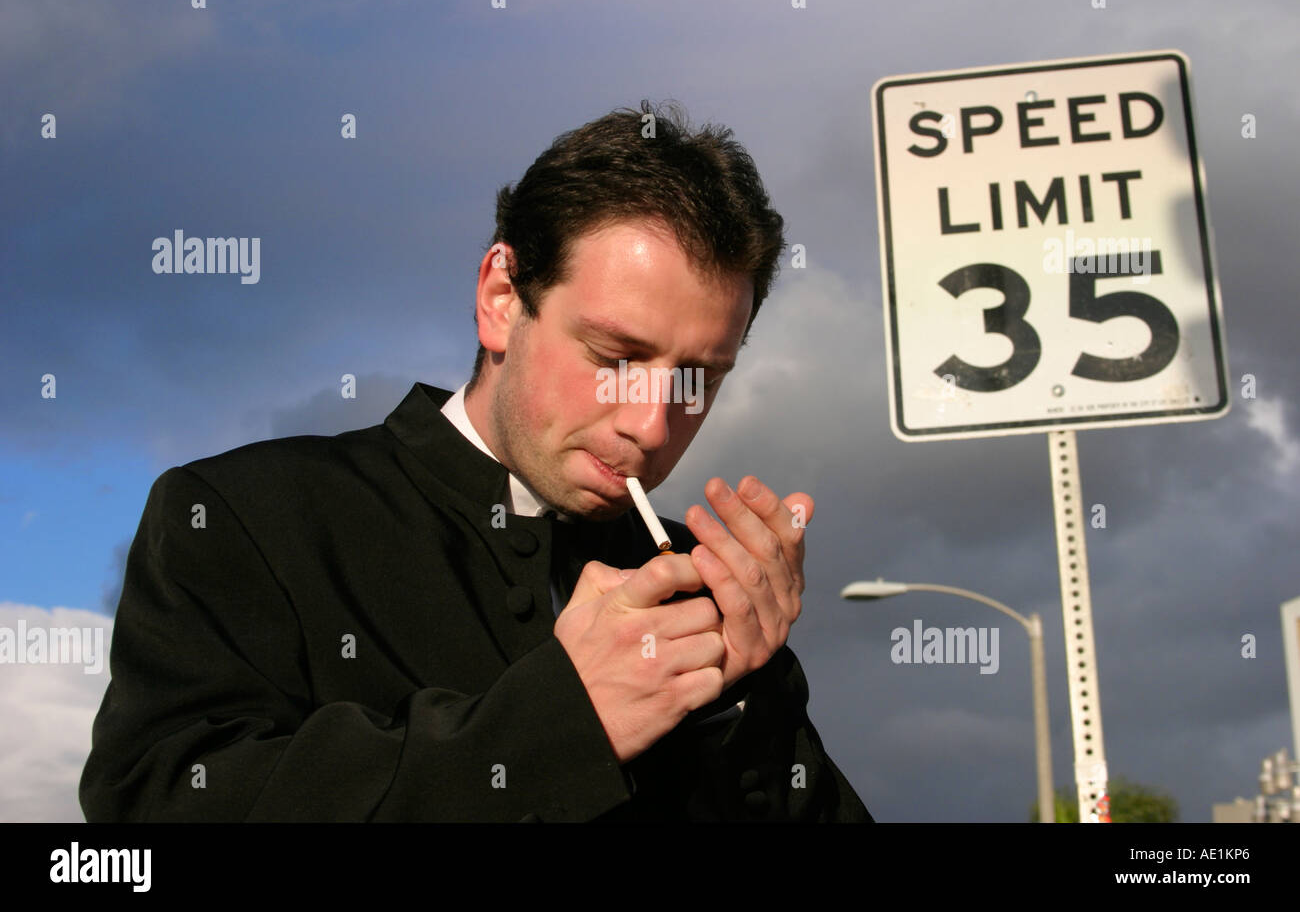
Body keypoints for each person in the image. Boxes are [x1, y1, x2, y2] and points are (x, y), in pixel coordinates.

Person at [80, 101, 872, 822]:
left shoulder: (698, 585)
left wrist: (739, 707)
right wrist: (562, 719)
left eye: (698, 378)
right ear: (501, 298)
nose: (651, 425)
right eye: (614, 354)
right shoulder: (246, 515)